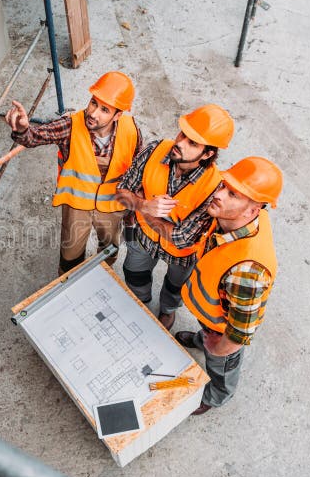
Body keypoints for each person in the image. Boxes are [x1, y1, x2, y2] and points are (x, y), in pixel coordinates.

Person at [5, 71, 143, 274]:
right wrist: (23, 130)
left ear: (118, 115)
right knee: (70, 253)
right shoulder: (71, 125)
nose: (94, 113)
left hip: (112, 205)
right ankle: (68, 281)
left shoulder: (131, 131)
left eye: (105, 110)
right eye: (94, 103)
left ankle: (101, 274)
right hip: (77, 203)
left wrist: (132, 215)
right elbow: (37, 136)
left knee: (110, 247)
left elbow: (137, 172)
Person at [175, 157, 282, 415]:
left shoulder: (247, 272)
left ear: (252, 210)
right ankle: (204, 340)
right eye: (223, 185)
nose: (219, 194)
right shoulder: (236, 218)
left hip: (223, 327)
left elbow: (239, 334)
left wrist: (219, 347)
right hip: (210, 314)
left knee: (222, 364)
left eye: (232, 194)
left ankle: (214, 397)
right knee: (209, 338)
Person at [115, 104, 234, 330]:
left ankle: (167, 311)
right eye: (182, 134)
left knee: (174, 287)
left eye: (192, 143)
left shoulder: (214, 188)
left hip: (182, 255)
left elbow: (182, 239)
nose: (179, 143)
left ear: (208, 153)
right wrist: (143, 204)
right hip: (142, 239)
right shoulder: (155, 150)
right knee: (134, 274)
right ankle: (140, 303)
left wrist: (146, 213)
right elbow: (122, 192)